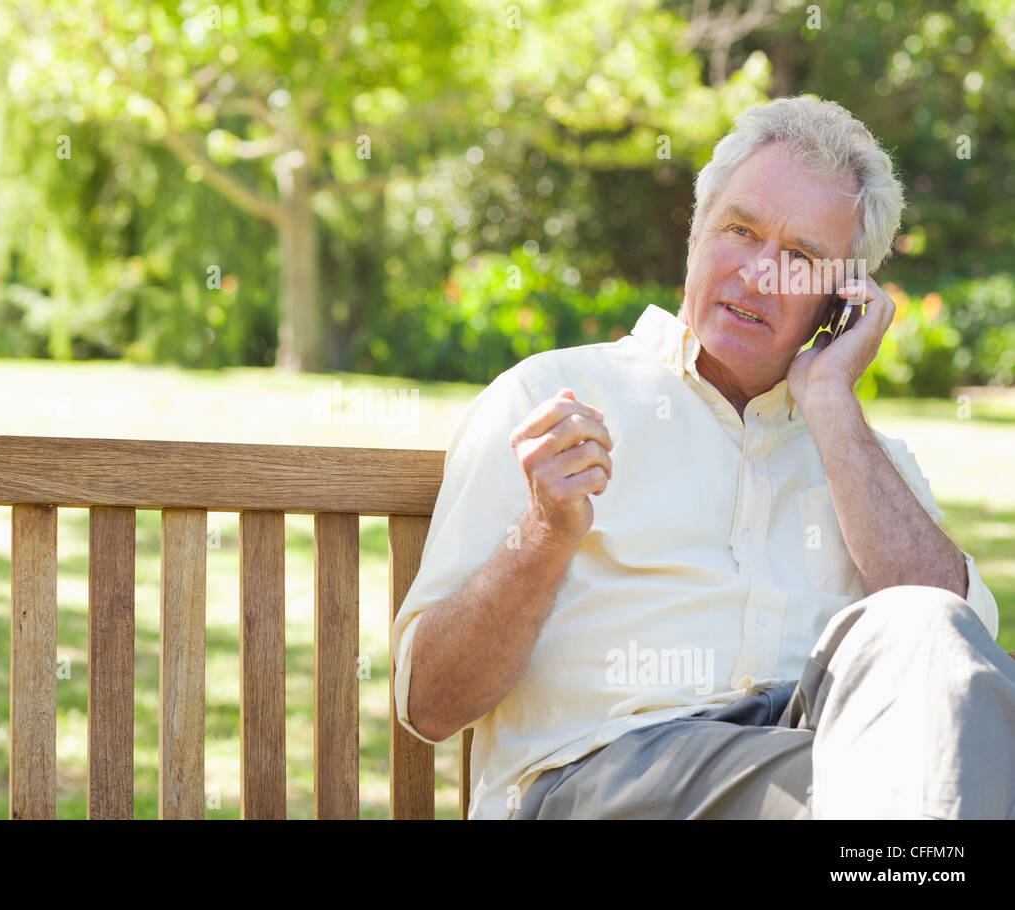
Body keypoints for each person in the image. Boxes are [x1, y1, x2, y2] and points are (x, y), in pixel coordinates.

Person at [390, 95, 1012, 820]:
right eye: (741, 232)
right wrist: (542, 535)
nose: (757, 276)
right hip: (607, 779)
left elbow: (958, 673)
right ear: (696, 233)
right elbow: (429, 704)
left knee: (928, 634)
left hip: (825, 773)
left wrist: (832, 403)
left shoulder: (866, 461)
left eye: (802, 258)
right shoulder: (552, 399)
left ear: (843, 303)